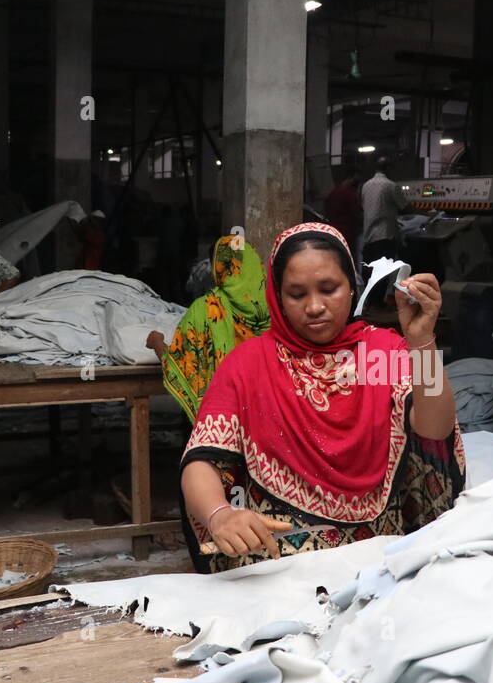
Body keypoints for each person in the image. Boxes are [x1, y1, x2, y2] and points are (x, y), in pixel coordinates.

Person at [178, 221, 464, 573]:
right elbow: (202, 459)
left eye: (329, 289)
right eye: (297, 295)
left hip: (374, 562)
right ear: (277, 297)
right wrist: (219, 514)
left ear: (352, 287)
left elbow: (434, 428)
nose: (314, 307)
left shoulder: (380, 353)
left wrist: (421, 341)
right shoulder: (250, 363)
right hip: (275, 562)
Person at [146, 234, 271, 422]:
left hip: (220, 423)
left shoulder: (205, 309)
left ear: (217, 268)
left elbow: (182, 366)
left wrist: (157, 342)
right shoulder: (277, 309)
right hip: (269, 419)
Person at [360, 157, 407, 262]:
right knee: (385, 269)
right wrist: (426, 214)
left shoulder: (365, 186)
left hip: (368, 237)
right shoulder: (391, 186)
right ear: (388, 168)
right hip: (385, 237)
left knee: (370, 268)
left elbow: (363, 207)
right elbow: (405, 206)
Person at [323, 169, 362, 251]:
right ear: (350, 178)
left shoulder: (333, 192)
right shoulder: (349, 194)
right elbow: (356, 213)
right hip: (348, 232)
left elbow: (327, 211)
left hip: (334, 231)